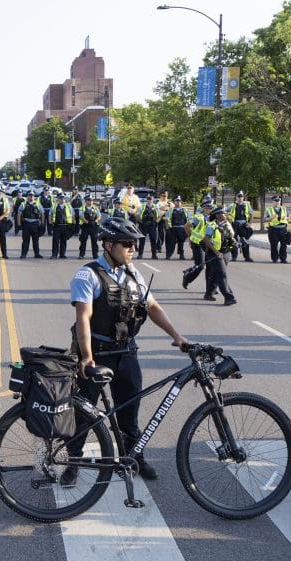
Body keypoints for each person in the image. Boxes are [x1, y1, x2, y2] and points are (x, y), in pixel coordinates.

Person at [63, 217, 189, 487]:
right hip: (96, 354)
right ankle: (73, 462)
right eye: (127, 244)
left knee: (129, 413)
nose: (133, 249)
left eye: (135, 244)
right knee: (84, 414)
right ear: (108, 245)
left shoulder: (134, 274)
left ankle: (133, 457)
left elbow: (152, 307)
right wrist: (86, 356)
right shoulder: (88, 275)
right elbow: (83, 317)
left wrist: (177, 336)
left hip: (127, 352)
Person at [203, 206, 237, 305]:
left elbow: (231, 237)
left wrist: (235, 242)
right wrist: (216, 252)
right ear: (217, 215)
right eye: (223, 213)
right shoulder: (212, 225)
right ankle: (229, 297)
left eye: (225, 213)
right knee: (222, 274)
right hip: (214, 253)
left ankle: (209, 294)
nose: (225, 214)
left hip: (225, 252)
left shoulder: (227, 224)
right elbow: (206, 239)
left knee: (216, 273)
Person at [183, 202, 214, 289]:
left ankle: (210, 288)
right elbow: (186, 226)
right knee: (200, 266)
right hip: (197, 244)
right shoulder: (198, 217)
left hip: (208, 245)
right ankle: (187, 278)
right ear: (203, 208)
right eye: (207, 208)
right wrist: (190, 237)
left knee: (210, 266)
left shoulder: (213, 219)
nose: (209, 210)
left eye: (211, 208)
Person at [227, 191, 254, 262]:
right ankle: (234, 256)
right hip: (234, 225)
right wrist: (229, 220)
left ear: (243, 197)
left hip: (244, 225)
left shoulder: (247, 205)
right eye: (238, 196)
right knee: (233, 241)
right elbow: (225, 212)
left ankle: (247, 257)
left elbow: (251, 214)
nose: (240, 198)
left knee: (245, 241)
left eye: (241, 196)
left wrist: (250, 223)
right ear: (236, 197)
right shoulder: (232, 205)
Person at [263, 195, 291, 263]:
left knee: (284, 245)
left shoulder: (284, 208)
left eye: (278, 201)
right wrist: (271, 218)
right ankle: (274, 258)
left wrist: (286, 218)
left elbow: (289, 216)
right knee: (274, 245)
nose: (277, 202)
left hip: (283, 229)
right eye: (276, 201)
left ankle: (283, 258)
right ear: (273, 201)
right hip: (273, 229)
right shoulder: (269, 209)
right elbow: (265, 219)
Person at [19, 190, 44, 259]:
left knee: (35, 241)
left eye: (32, 195)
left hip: (35, 224)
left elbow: (42, 214)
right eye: (30, 195)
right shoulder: (23, 204)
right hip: (26, 224)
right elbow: (19, 214)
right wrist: (19, 224)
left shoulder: (38, 204)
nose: (31, 197)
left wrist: (42, 223)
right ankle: (23, 254)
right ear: (27, 196)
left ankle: (37, 254)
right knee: (25, 241)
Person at [50, 195, 76, 259]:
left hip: (65, 226)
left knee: (63, 241)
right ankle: (54, 255)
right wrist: (50, 223)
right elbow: (50, 214)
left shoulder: (68, 206)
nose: (62, 200)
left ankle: (62, 254)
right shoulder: (54, 206)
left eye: (63, 199)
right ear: (58, 199)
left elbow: (73, 215)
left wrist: (73, 224)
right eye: (60, 199)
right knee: (55, 241)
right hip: (57, 226)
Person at [137, 196, 161, 260]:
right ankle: (140, 255)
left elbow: (159, 216)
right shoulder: (142, 206)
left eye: (151, 199)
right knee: (142, 240)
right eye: (148, 199)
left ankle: (154, 255)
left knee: (153, 240)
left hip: (152, 225)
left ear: (153, 200)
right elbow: (137, 215)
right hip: (144, 225)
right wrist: (141, 222)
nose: (149, 200)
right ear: (146, 200)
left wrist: (156, 222)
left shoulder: (156, 207)